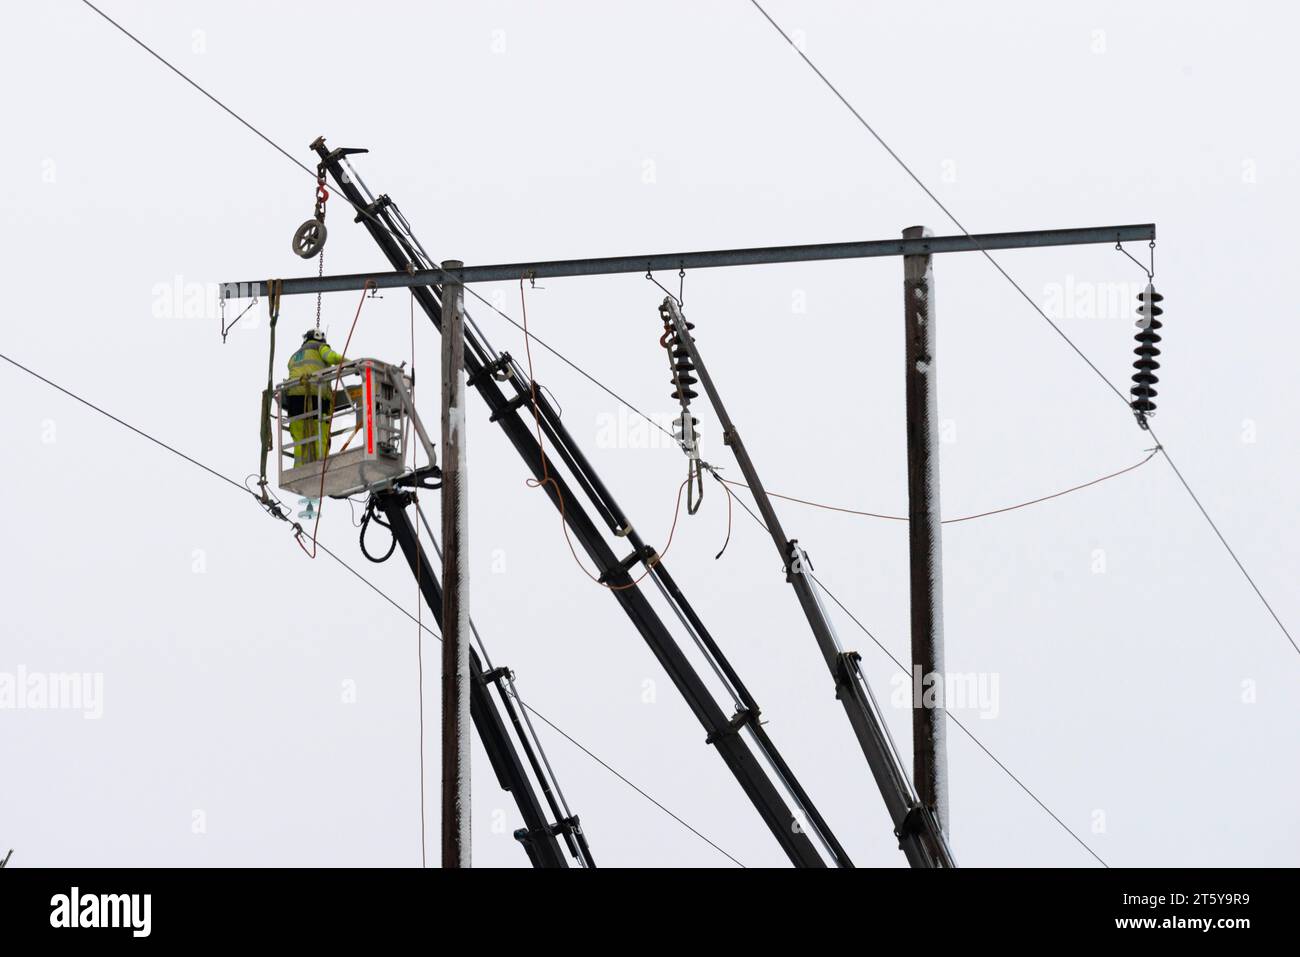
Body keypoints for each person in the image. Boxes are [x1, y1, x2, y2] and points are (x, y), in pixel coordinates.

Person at [285, 329, 345, 519]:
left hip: (294, 400)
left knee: (300, 439)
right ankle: (319, 471)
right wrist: (351, 363)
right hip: (315, 397)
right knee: (320, 435)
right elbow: (332, 357)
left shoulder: (294, 356)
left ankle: (301, 474)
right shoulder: (320, 347)